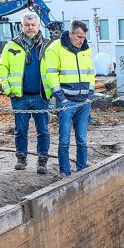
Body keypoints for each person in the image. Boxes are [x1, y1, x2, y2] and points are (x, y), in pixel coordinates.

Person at [0, 12, 52, 174]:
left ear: (38, 26)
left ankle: (42, 160)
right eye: (27, 25)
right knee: (20, 129)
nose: (30, 28)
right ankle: (21, 158)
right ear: (22, 26)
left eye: (33, 25)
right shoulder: (11, 46)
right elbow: (2, 68)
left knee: (43, 130)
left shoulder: (48, 46)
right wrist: (8, 90)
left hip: (41, 96)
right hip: (19, 97)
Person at [44, 20, 95, 176]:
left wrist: (89, 96)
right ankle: (65, 172)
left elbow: (90, 73)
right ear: (71, 33)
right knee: (64, 140)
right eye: (79, 36)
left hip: (83, 102)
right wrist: (61, 98)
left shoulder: (86, 50)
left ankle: (82, 169)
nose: (82, 40)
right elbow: (51, 74)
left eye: (84, 37)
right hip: (66, 101)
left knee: (82, 139)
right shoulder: (56, 48)